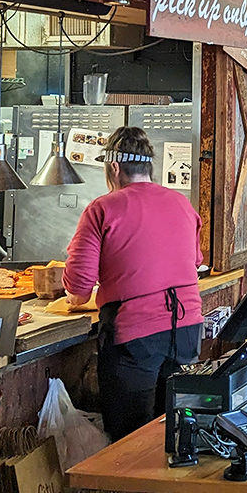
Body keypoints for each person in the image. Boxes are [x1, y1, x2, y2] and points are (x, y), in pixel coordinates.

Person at [63, 126, 203, 441]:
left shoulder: (102, 208)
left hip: (136, 336)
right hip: (187, 331)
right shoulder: (182, 204)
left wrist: (76, 295)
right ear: (148, 167)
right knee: (174, 432)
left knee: (130, 439)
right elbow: (194, 260)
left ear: (114, 167)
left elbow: (79, 285)